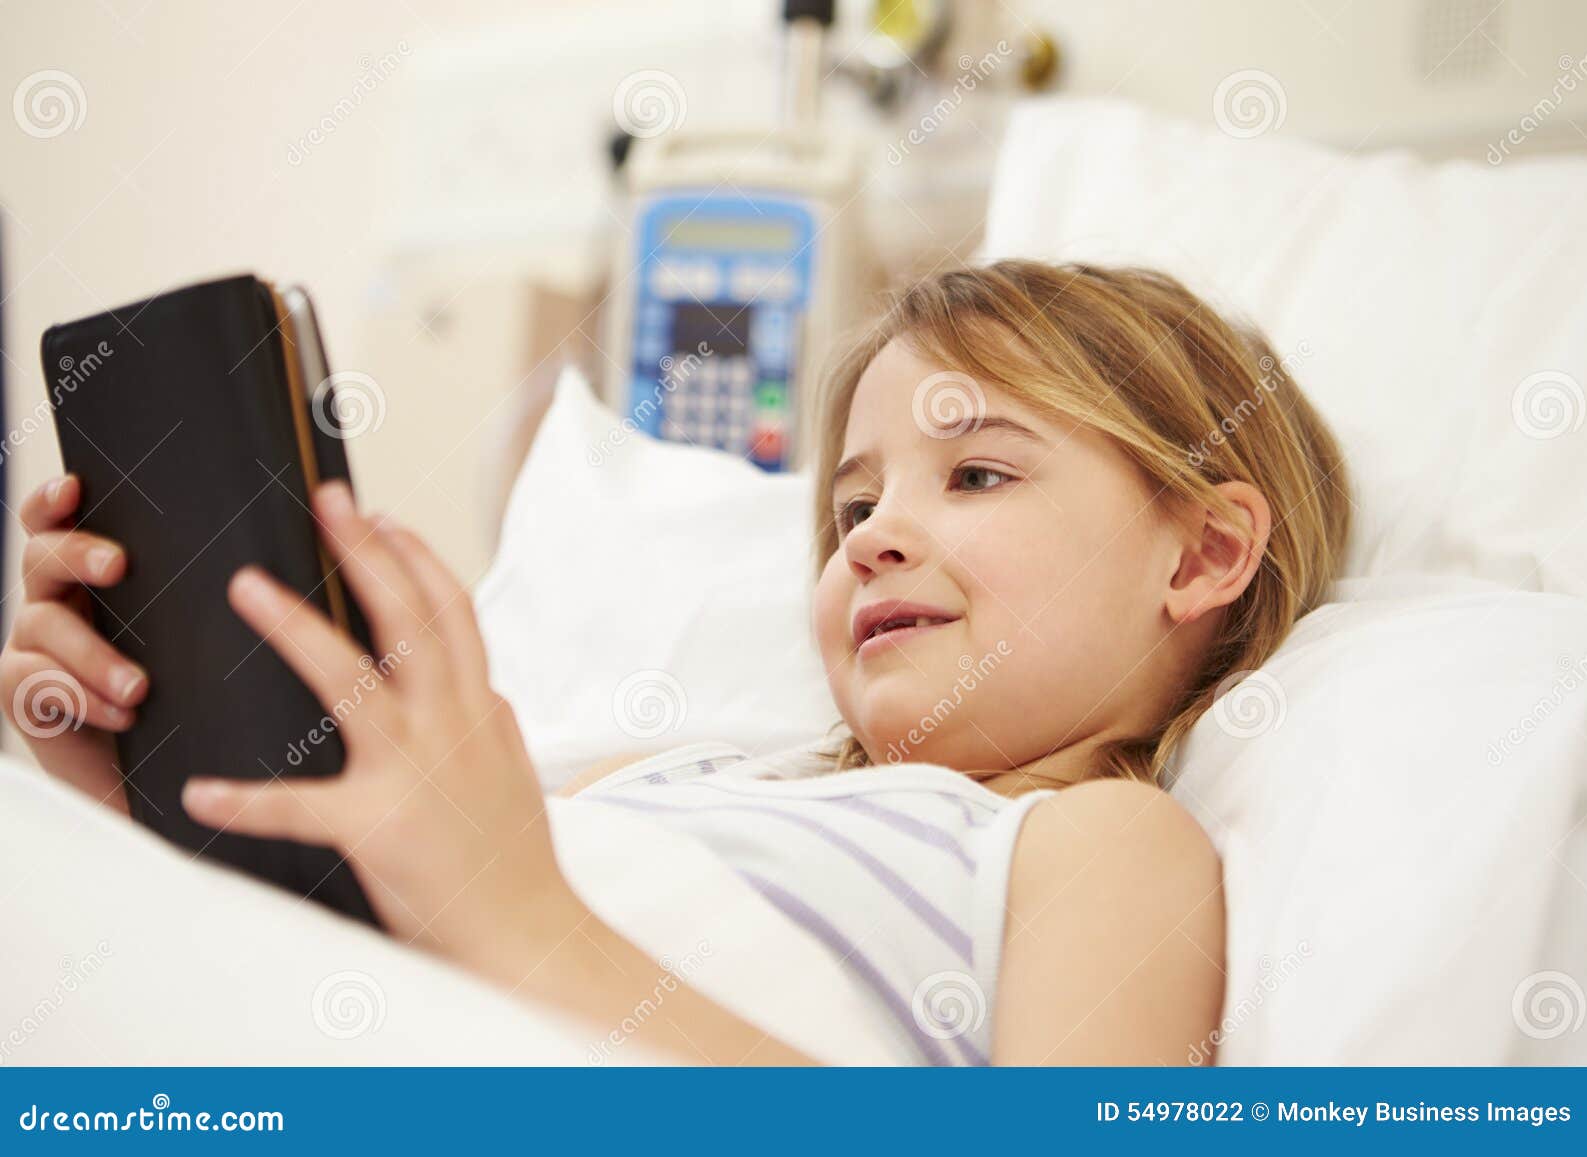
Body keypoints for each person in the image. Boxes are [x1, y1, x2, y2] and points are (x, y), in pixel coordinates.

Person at [0, 260, 1350, 1065]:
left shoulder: (1101, 844)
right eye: (852, 507)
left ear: (1201, 556)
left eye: (977, 470)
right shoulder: (676, 768)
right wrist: (134, 789)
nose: (877, 539)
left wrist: (521, 916)